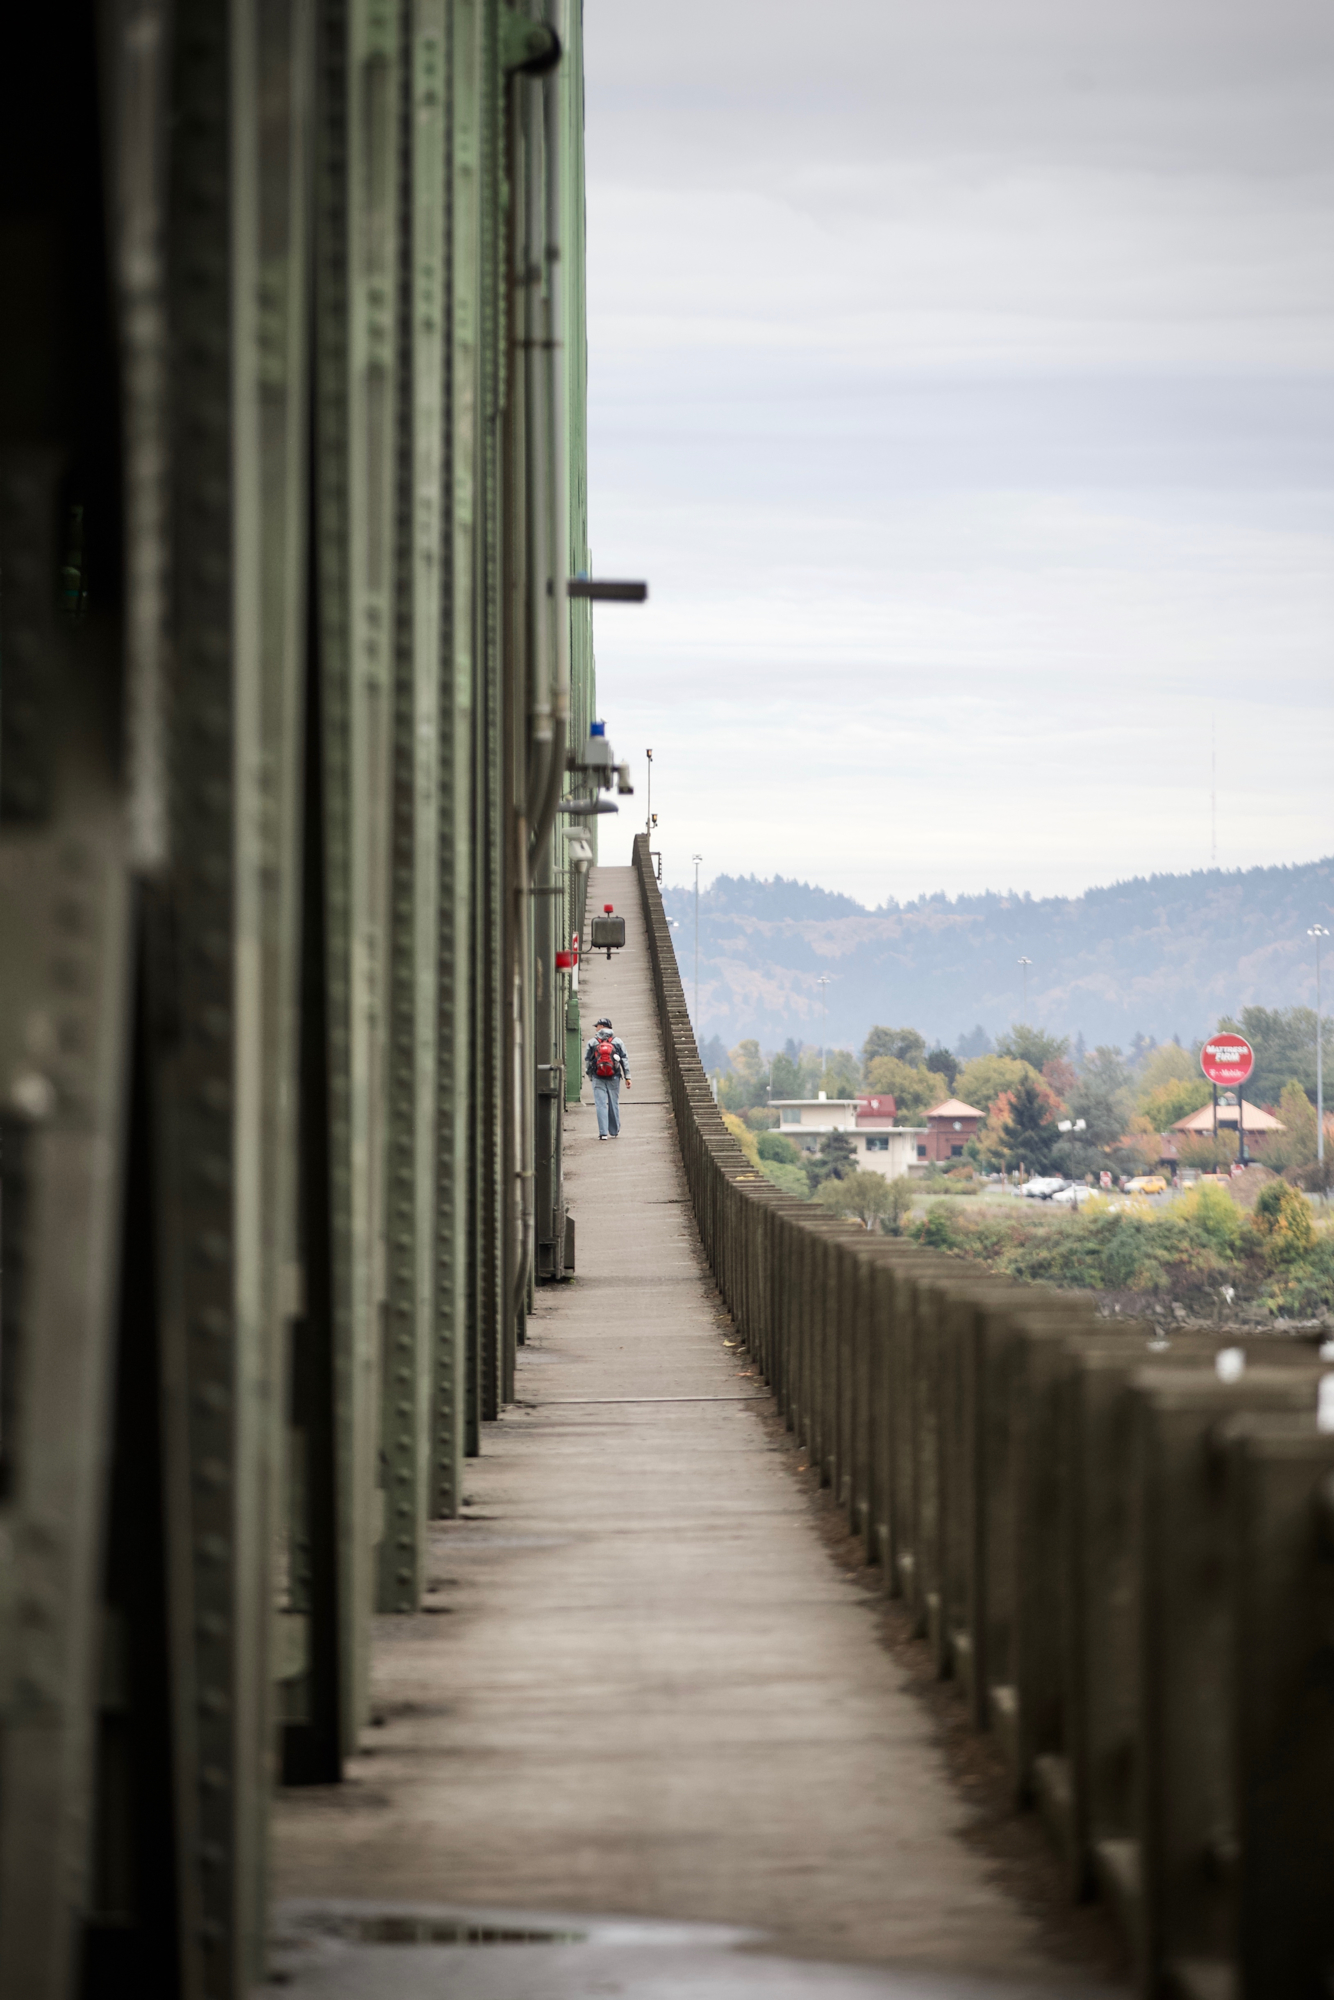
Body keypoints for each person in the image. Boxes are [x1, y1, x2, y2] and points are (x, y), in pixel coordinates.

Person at [584, 1016, 631, 1139]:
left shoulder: (592, 1042)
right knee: (613, 1103)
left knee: (600, 1104)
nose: (596, 1028)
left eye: (597, 1026)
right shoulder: (617, 1041)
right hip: (614, 1076)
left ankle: (603, 1133)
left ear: (602, 1027)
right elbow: (624, 1059)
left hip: (597, 1076)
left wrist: (590, 1075)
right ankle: (614, 1131)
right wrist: (627, 1077)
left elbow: (587, 1061)